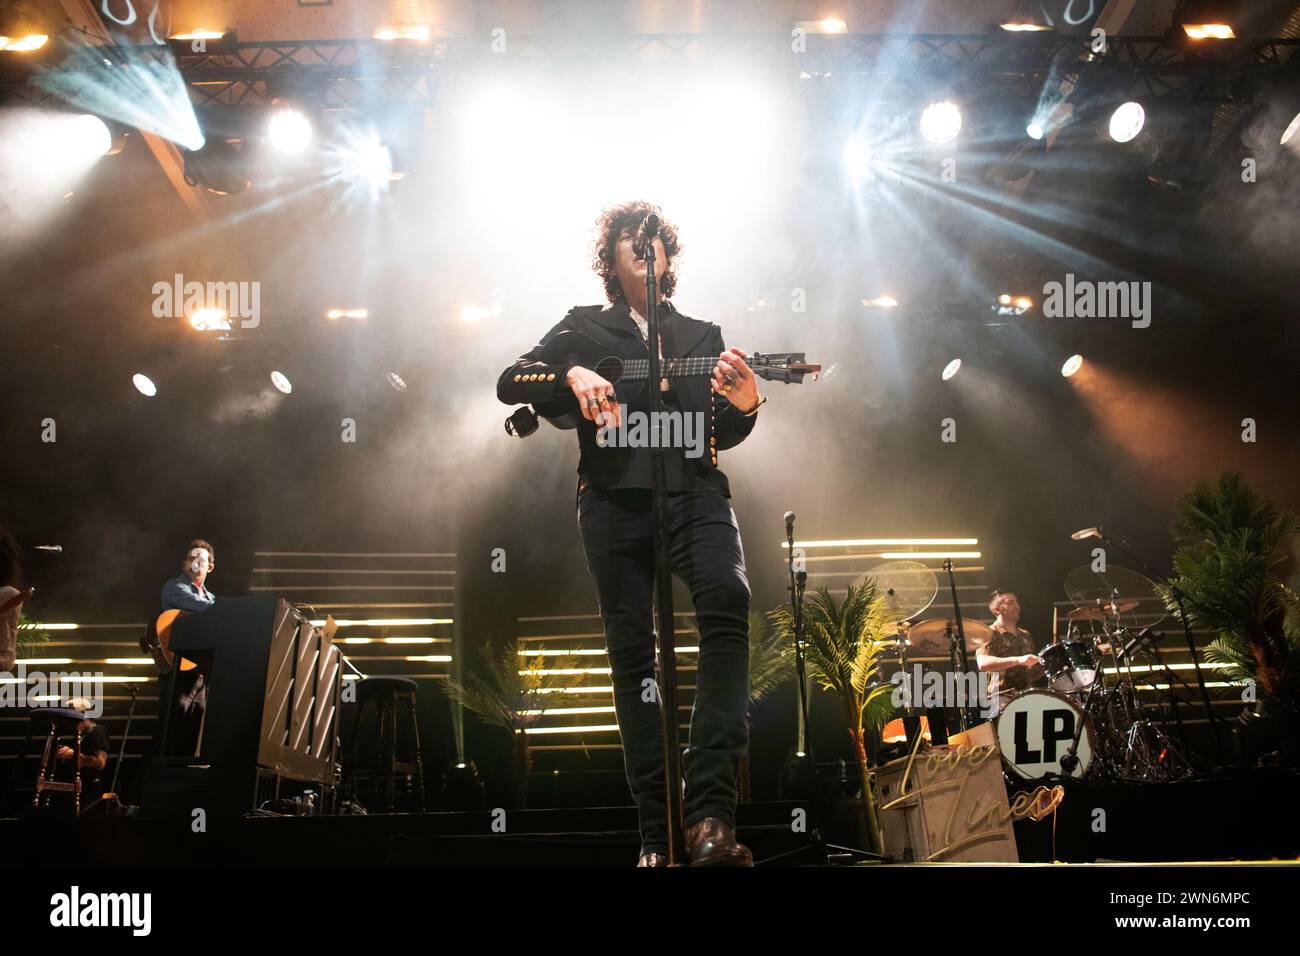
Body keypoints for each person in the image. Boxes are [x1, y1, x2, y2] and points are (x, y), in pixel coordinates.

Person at [497, 201, 764, 866]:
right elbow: (512, 380)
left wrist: (748, 402)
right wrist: (570, 371)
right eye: (628, 244)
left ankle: (709, 818)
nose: (643, 251)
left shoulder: (703, 335)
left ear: (668, 258)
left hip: (695, 493)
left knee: (728, 605)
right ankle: (657, 833)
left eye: (653, 244)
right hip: (615, 501)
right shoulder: (584, 326)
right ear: (612, 263)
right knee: (633, 658)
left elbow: (722, 430)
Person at [156, 540, 217, 756]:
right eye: (191, 558)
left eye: (201, 559)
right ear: (184, 565)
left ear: (210, 566)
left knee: (193, 729)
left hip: (200, 673)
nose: (195, 563)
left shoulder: (213, 599)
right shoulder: (175, 587)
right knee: (172, 726)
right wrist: (226, 610)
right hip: (177, 670)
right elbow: (202, 607)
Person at [976, 589, 1048, 718]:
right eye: (1011, 603)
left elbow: (1031, 673)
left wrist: (1044, 666)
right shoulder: (988, 633)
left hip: (1028, 694)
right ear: (997, 610)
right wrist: (1018, 660)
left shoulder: (1025, 635)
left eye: (1017, 602)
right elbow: (983, 663)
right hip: (1002, 697)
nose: (1017, 606)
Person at [56, 697, 111, 797]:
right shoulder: (79, 735)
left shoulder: (98, 731)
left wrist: (74, 754)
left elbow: (100, 763)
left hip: (89, 790)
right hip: (77, 787)